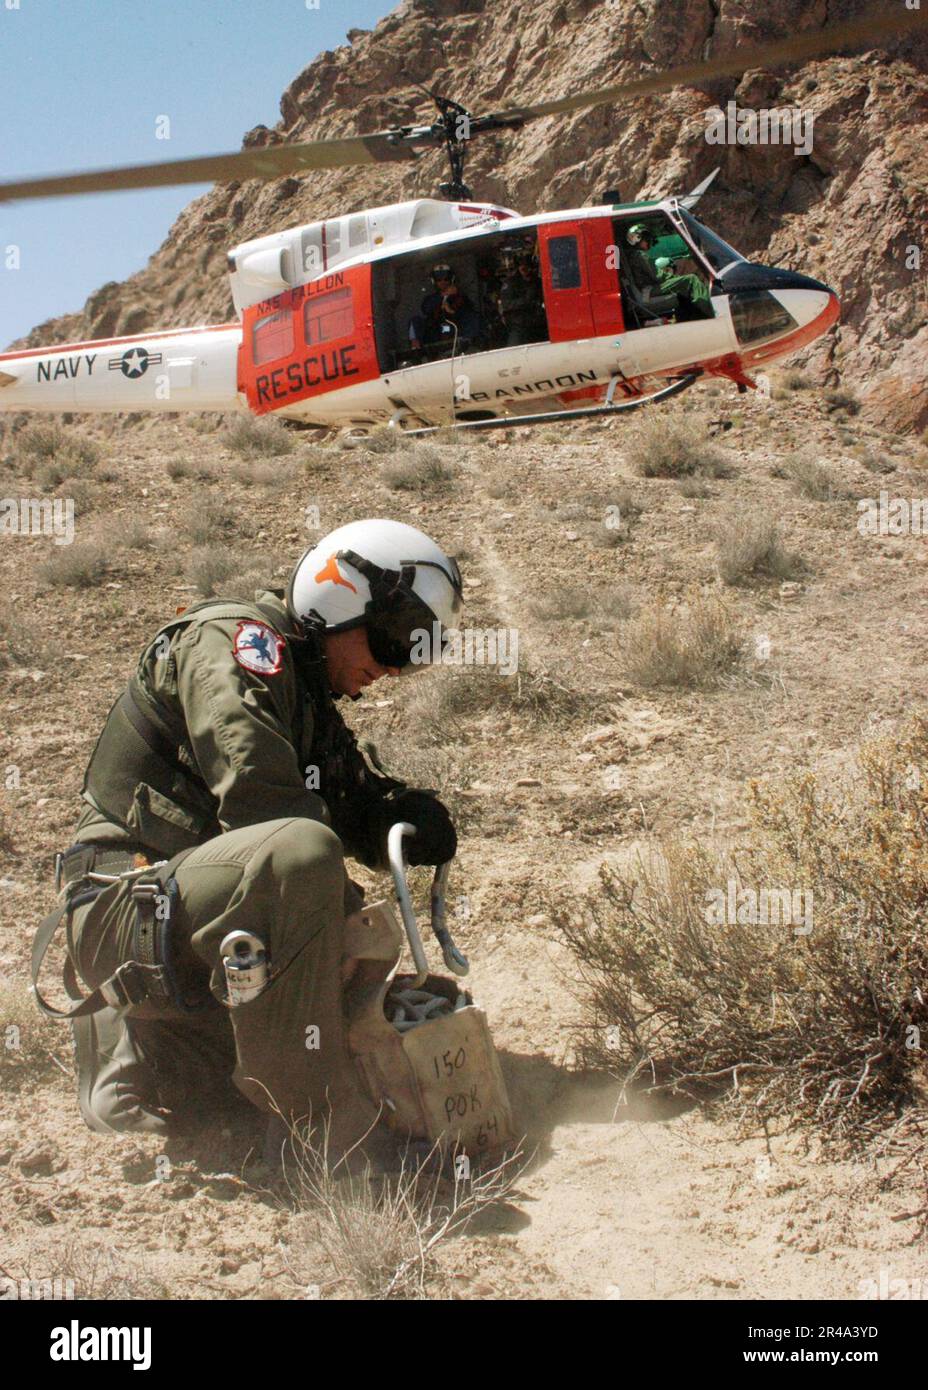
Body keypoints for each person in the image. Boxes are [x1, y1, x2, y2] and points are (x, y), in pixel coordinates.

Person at [32, 519, 463, 1159]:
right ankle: (320, 1133)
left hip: (185, 920)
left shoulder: (305, 693)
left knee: (327, 999)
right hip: (122, 915)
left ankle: (159, 1051)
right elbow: (267, 809)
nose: (396, 669)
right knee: (303, 859)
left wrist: (397, 816)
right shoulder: (237, 645)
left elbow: (347, 800)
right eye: (396, 641)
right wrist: (338, 940)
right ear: (341, 600)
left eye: (419, 650)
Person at [624, 223, 713, 319]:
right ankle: (711, 312)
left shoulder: (634, 255)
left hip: (647, 289)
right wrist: (674, 277)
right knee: (691, 279)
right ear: (638, 238)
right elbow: (657, 276)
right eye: (646, 238)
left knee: (683, 283)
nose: (648, 241)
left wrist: (675, 279)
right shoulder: (640, 255)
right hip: (649, 290)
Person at [408, 263, 480, 356]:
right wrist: (443, 295)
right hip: (436, 335)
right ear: (434, 281)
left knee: (473, 316)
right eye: (439, 279)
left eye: (446, 278)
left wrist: (451, 311)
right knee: (415, 321)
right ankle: (416, 352)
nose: (443, 281)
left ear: (451, 279)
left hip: (457, 332)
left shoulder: (461, 296)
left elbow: (469, 310)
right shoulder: (431, 299)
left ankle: (470, 345)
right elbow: (426, 309)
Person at [498, 252, 547, 346]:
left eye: (528, 268)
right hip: (518, 324)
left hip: (537, 323)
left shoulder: (536, 282)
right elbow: (507, 304)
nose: (526, 271)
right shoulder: (510, 283)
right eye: (523, 268)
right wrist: (525, 301)